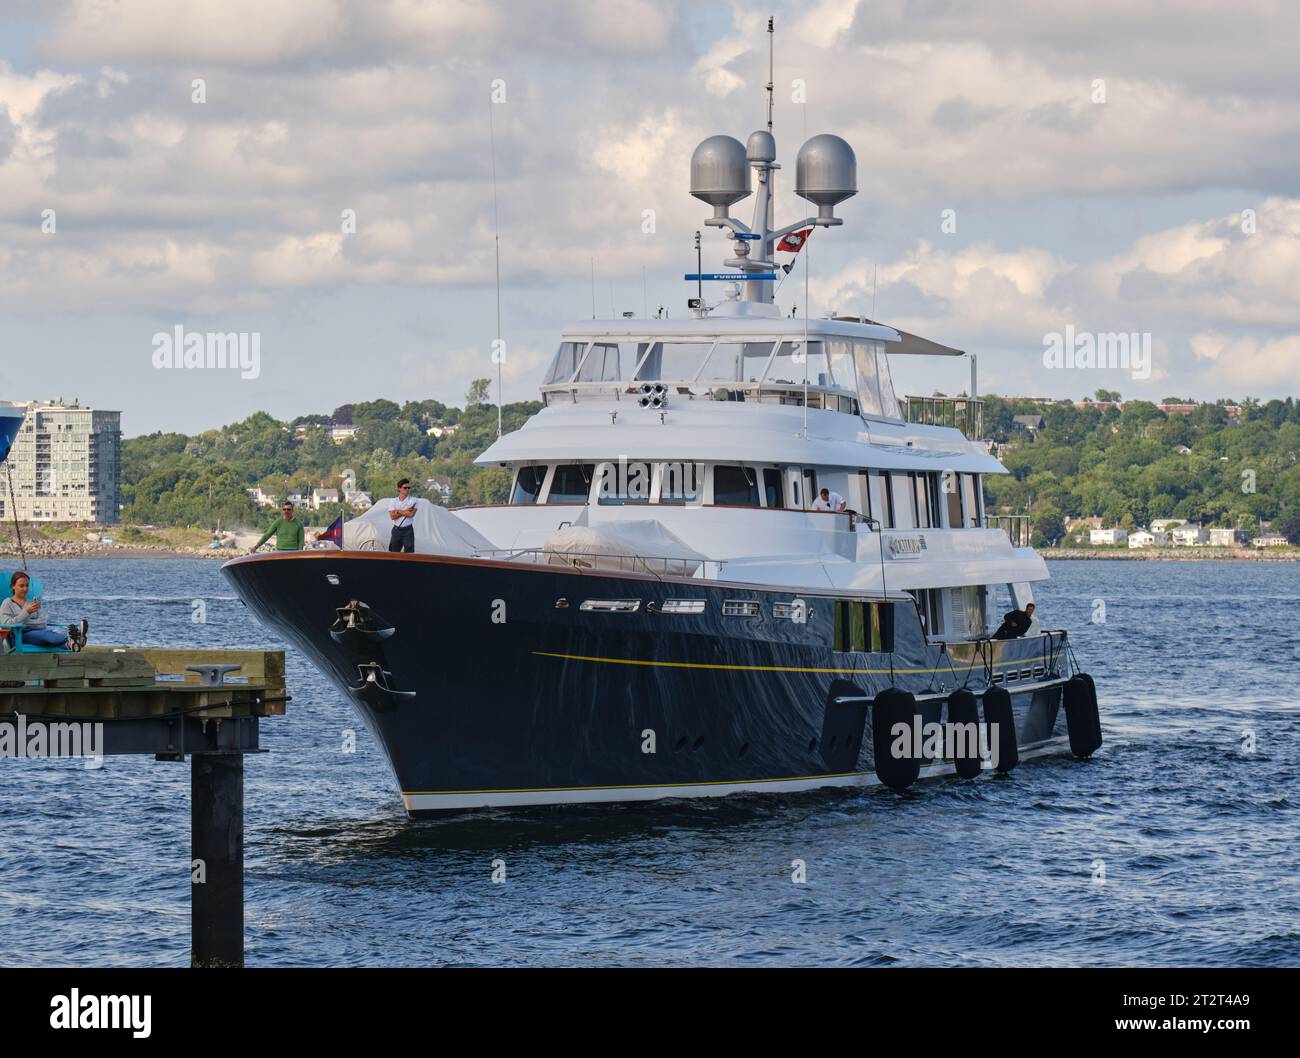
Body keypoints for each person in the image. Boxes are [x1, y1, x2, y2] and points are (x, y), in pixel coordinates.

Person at [0, 571, 87, 651]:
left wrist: (25, 623)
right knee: (47, 636)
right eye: (21, 586)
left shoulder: (32, 603)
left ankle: (71, 643)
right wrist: (26, 612)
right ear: (13, 586)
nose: (25, 589)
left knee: (48, 636)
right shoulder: (7, 603)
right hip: (18, 637)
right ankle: (77, 637)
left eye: (27, 585)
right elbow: (7, 625)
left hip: (39, 633)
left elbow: (43, 622)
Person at [385, 478, 419, 553]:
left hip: (408, 530)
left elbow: (411, 514)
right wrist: (405, 511)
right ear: (399, 488)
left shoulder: (413, 500)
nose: (407, 489)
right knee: (393, 552)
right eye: (405, 488)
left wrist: (398, 511)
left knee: (409, 553)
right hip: (396, 529)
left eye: (408, 488)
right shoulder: (393, 501)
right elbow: (392, 517)